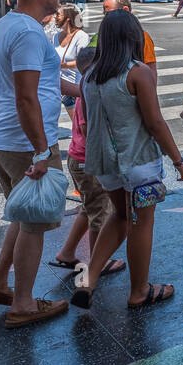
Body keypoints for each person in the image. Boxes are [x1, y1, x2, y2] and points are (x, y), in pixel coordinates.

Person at [71, 10, 183, 311]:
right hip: (139, 163)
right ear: (133, 38)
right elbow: (155, 122)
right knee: (141, 224)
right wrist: (177, 159)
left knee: (119, 217)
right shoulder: (138, 72)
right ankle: (139, 290)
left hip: (105, 165)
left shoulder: (90, 76)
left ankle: (89, 278)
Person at [0, 0, 70, 328]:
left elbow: (43, 83)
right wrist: (43, 150)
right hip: (26, 142)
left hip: (3, 138)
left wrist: (82, 92)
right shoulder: (30, 34)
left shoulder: (8, 24)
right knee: (36, 223)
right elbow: (26, 98)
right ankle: (24, 303)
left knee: (23, 213)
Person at [48, 46, 126, 279]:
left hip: (79, 158)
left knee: (89, 206)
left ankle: (67, 252)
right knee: (100, 213)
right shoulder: (88, 94)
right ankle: (97, 261)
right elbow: (86, 127)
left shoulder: (87, 90)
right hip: (87, 160)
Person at [91, 0, 158, 77]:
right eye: (104, 14)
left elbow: (150, 69)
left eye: (108, 13)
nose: (105, 18)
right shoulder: (101, 36)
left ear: (125, 10)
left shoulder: (142, 37)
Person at [52, 5, 90, 112]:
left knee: (77, 125)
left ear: (67, 18)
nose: (55, 17)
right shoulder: (56, 36)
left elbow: (82, 62)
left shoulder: (81, 36)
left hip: (74, 89)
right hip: (58, 87)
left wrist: (61, 65)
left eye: (58, 14)